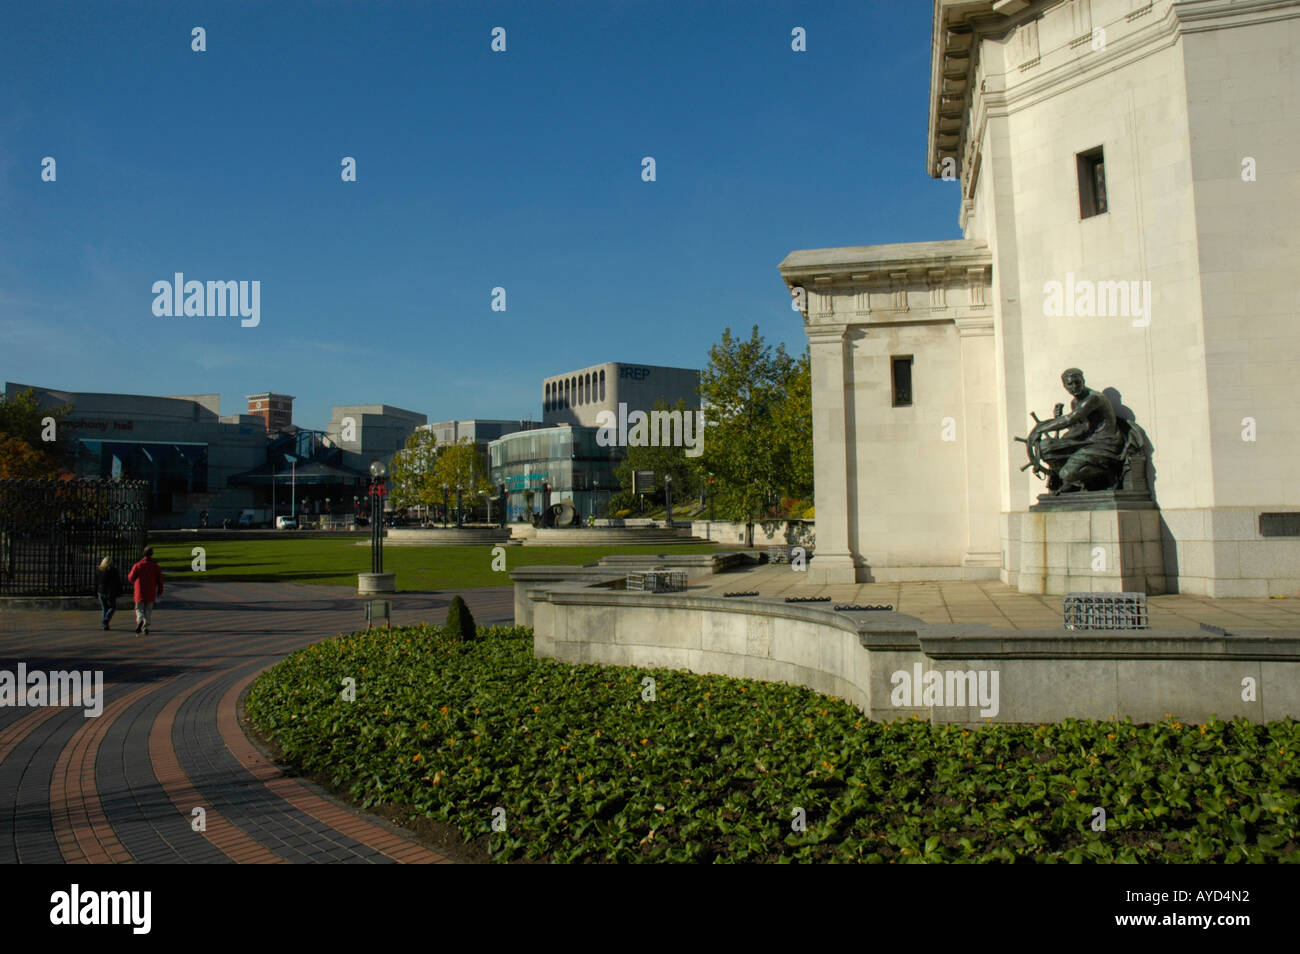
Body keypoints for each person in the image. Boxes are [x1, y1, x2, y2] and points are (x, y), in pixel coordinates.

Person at [127, 547, 164, 635]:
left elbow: (131, 577)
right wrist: (160, 590)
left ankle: (140, 619)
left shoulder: (138, 565)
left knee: (139, 609)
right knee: (148, 610)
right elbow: (159, 580)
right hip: (150, 591)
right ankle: (146, 626)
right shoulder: (155, 566)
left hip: (140, 591)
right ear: (152, 554)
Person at [95, 556, 122, 631]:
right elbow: (118, 582)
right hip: (110, 593)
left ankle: (105, 625)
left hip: (101, 591)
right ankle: (106, 620)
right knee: (112, 607)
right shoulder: (113, 571)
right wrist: (119, 591)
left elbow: (96, 582)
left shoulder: (99, 570)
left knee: (104, 608)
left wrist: (96, 592)